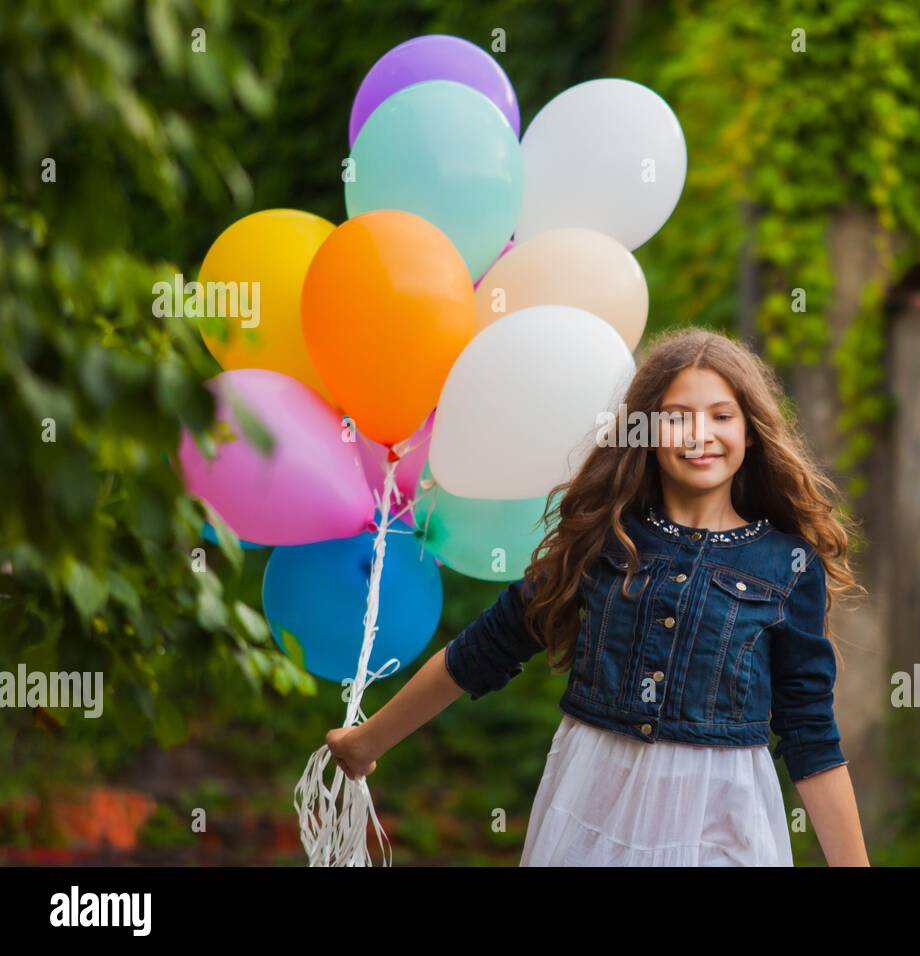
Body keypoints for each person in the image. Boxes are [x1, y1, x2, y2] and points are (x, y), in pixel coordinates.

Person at [325, 327, 871, 866]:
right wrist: (367, 742)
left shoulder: (787, 564)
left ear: (750, 432)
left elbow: (809, 731)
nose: (699, 433)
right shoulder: (605, 539)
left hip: (720, 825)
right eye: (677, 416)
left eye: (721, 416)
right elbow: (486, 647)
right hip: (590, 813)